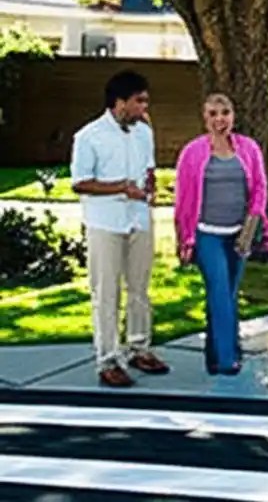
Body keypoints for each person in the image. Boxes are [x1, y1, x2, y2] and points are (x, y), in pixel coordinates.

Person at [69, 69, 170, 387]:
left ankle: (140, 347)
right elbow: (80, 183)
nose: (144, 107)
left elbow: (149, 169)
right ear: (120, 102)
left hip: (139, 219)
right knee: (107, 293)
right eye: (140, 101)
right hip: (105, 224)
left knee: (139, 288)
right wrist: (122, 189)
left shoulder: (143, 132)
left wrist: (151, 188)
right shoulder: (89, 137)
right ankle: (108, 359)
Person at [173, 93, 268, 375]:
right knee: (220, 291)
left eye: (225, 112)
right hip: (207, 234)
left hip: (239, 233)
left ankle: (214, 351)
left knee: (228, 293)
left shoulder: (249, 148)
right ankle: (228, 358)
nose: (220, 119)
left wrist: (251, 225)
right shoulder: (192, 153)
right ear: (205, 118)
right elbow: (182, 199)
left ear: (233, 115)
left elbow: (259, 188)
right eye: (213, 114)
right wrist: (184, 238)